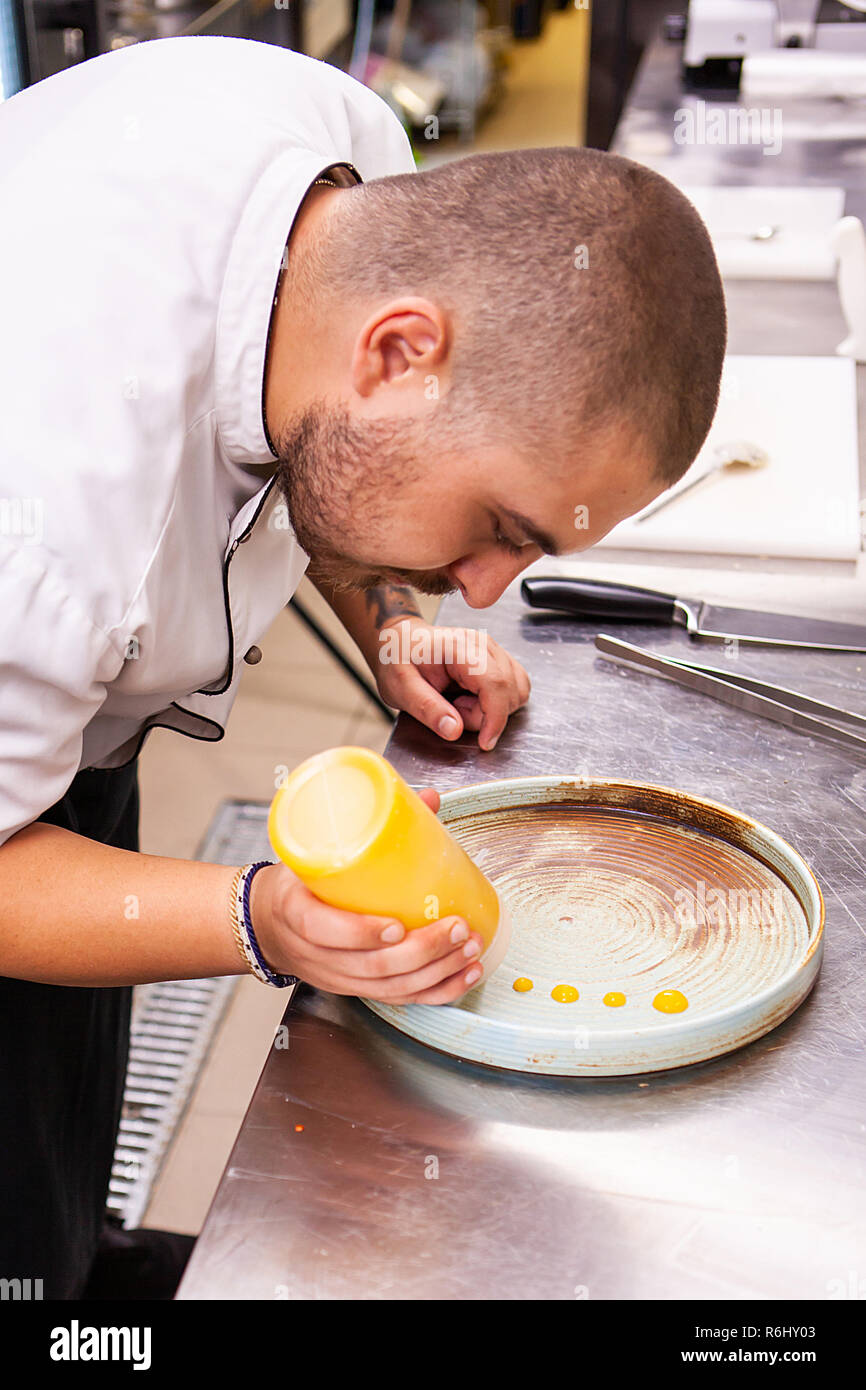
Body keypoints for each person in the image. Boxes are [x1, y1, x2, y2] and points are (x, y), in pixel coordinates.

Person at [0, 36, 726, 1299]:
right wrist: (257, 916)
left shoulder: (350, 175)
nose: (492, 591)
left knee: (59, 1147)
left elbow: (325, 445)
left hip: (50, 716)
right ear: (401, 353)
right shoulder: (43, 517)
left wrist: (390, 613)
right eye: (503, 529)